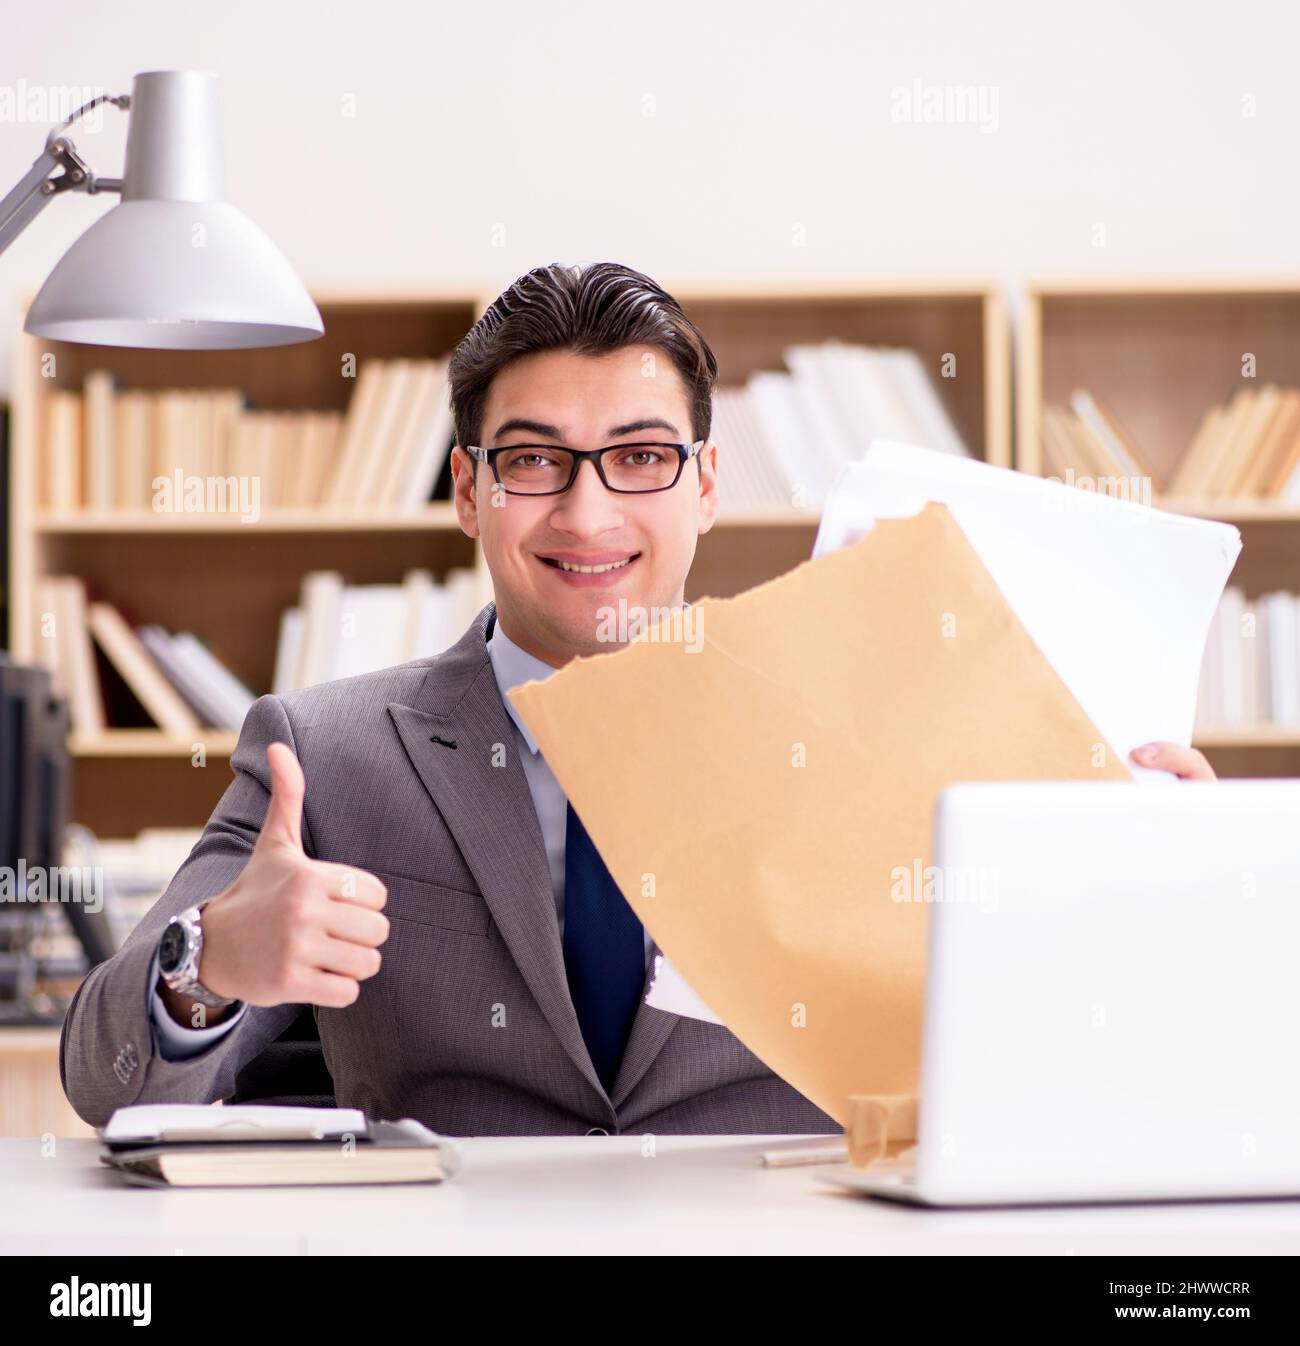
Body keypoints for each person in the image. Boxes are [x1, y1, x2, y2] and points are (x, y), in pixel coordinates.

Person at [60, 262, 1214, 1135]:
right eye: (533, 459)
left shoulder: (876, 720)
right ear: (466, 489)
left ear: (708, 482)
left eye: (641, 456)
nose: (588, 513)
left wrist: (1147, 896)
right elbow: (99, 1075)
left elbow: (1070, 1062)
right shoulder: (327, 750)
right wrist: (205, 959)